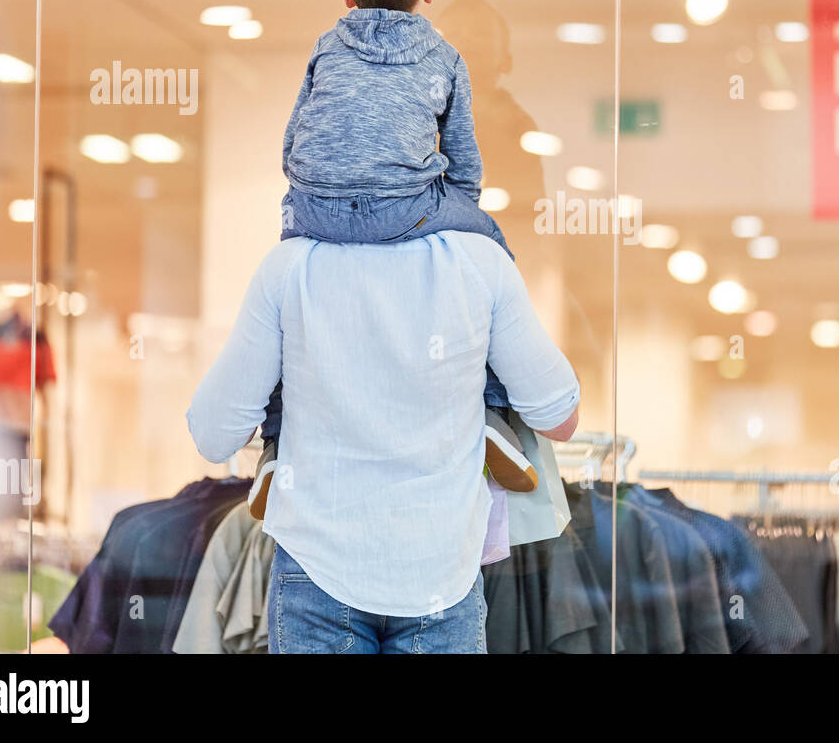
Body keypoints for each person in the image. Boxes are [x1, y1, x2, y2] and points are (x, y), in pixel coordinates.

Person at [253, 0, 535, 517]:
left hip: (316, 208)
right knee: (494, 251)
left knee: (280, 302)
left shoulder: (325, 47)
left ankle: (274, 443)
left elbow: (291, 143)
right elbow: (464, 164)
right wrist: (456, 221)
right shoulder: (444, 56)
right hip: (405, 208)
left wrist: (316, 194)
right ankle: (492, 413)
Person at [186, 230, 580, 653]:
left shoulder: (290, 266)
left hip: (317, 565)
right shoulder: (479, 260)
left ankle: (276, 448)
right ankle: (489, 422)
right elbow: (559, 418)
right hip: (441, 569)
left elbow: (215, 435)